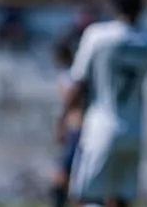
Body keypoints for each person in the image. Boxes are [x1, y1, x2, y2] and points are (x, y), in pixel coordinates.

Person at [57, 0, 147, 207]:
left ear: (113, 5)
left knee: (87, 197)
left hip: (101, 130)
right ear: (141, 7)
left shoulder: (98, 37)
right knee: (121, 200)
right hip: (134, 132)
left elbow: (77, 83)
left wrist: (62, 120)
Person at [51, 41, 83, 207]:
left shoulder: (70, 76)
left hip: (77, 129)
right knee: (69, 168)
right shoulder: (72, 74)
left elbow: (69, 101)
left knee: (70, 170)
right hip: (75, 128)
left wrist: (61, 122)